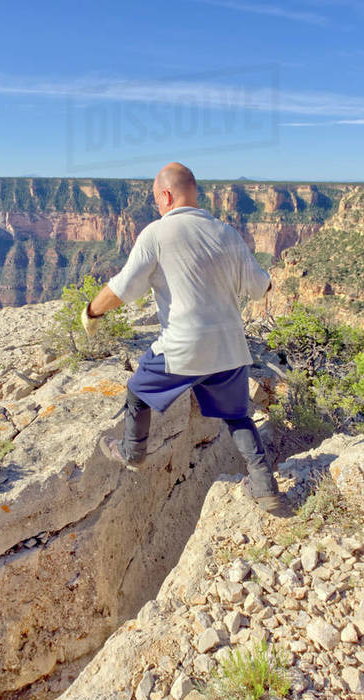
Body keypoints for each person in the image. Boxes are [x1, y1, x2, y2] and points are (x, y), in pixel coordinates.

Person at [80, 161, 283, 512]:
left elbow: (123, 288)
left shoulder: (156, 233)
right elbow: (259, 287)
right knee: (237, 417)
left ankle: (132, 453)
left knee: (137, 392)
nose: (157, 206)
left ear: (166, 195)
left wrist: (92, 311)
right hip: (230, 348)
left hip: (183, 348)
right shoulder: (226, 232)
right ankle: (264, 485)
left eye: (156, 199)